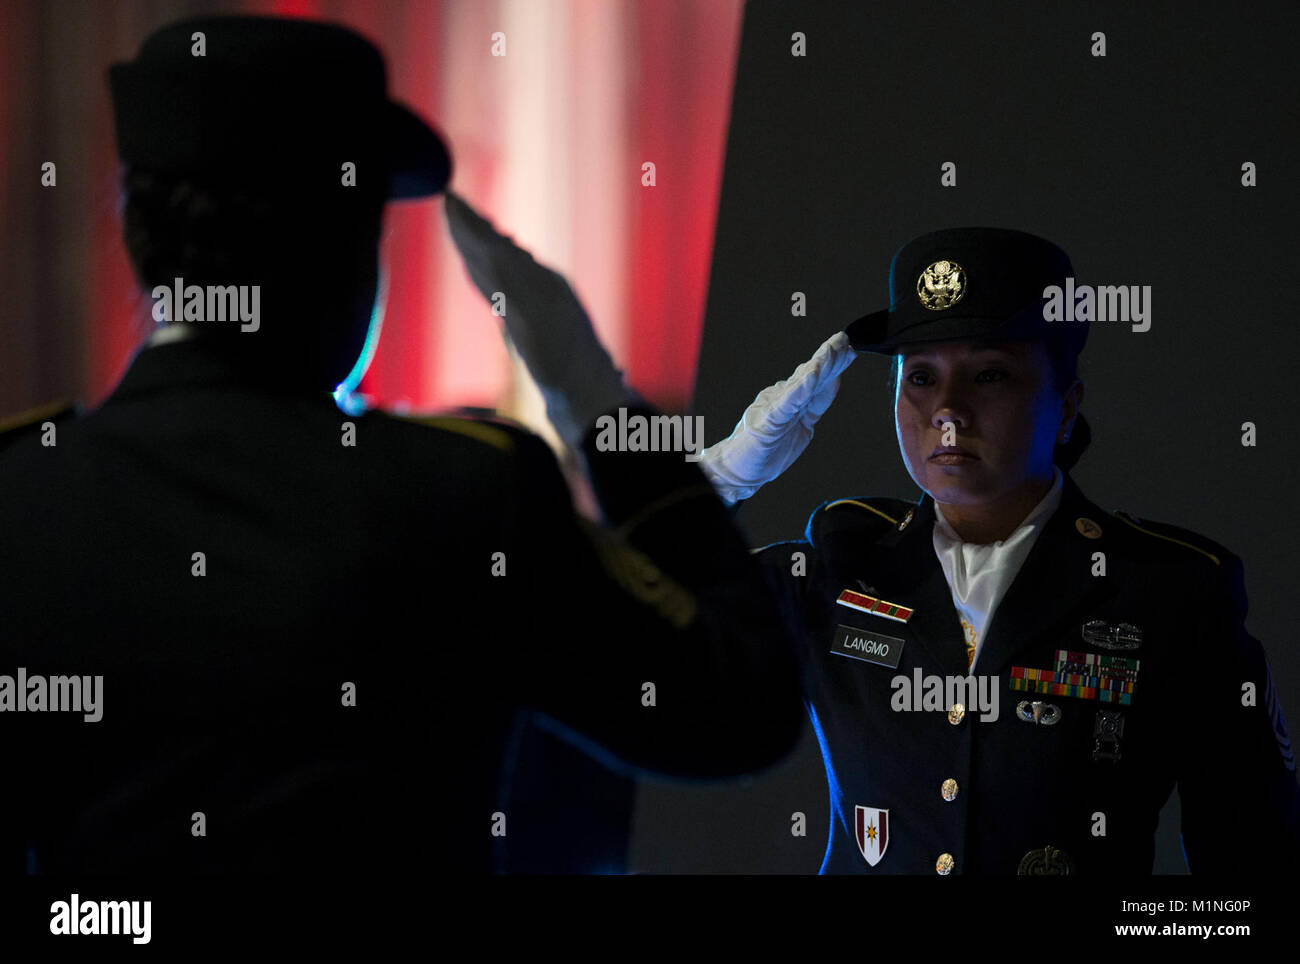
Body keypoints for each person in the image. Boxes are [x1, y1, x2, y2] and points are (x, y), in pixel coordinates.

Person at [0, 15, 803, 874]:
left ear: (137, 241)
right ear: (346, 252)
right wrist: (600, 404)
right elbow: (740, 704)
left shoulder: (20, 493)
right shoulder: (460, 496)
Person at [698, 226, 1300, 874]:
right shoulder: (841, 565)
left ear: (1066, 405)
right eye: (922, 376)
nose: (948, 410)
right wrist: (719, 480)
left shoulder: (1167, 591)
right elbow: (603, 634)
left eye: (989, 375)